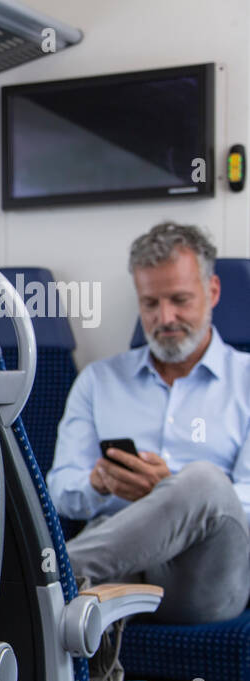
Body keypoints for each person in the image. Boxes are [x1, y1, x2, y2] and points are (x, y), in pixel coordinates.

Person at [47, 222, 250, 635]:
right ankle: (60, 585)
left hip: (205, 575)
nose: (165, 318)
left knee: (204, 481)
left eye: (179, 300)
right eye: (151, 304)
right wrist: (97, 483)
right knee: (106, 531)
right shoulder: (99, 382)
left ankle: (45, 577)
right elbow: (60, 490)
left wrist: (171, 490)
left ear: (211, 293)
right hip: (120, 566)